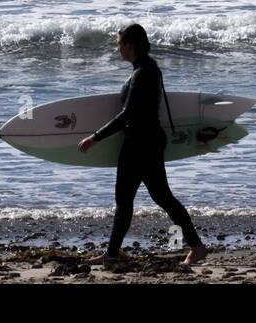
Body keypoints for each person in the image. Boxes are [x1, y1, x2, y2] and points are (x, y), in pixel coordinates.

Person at [78, 24, 206, 266]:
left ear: (130, 45)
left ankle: (113, 254)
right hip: (147, 143)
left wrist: (94, 137)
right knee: (157, 198)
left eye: (119, 45)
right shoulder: (148, 69)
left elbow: (128, 114)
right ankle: (195, 247)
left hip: (139, 145)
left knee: (132, 199)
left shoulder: (143, 73)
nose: (118, 50)